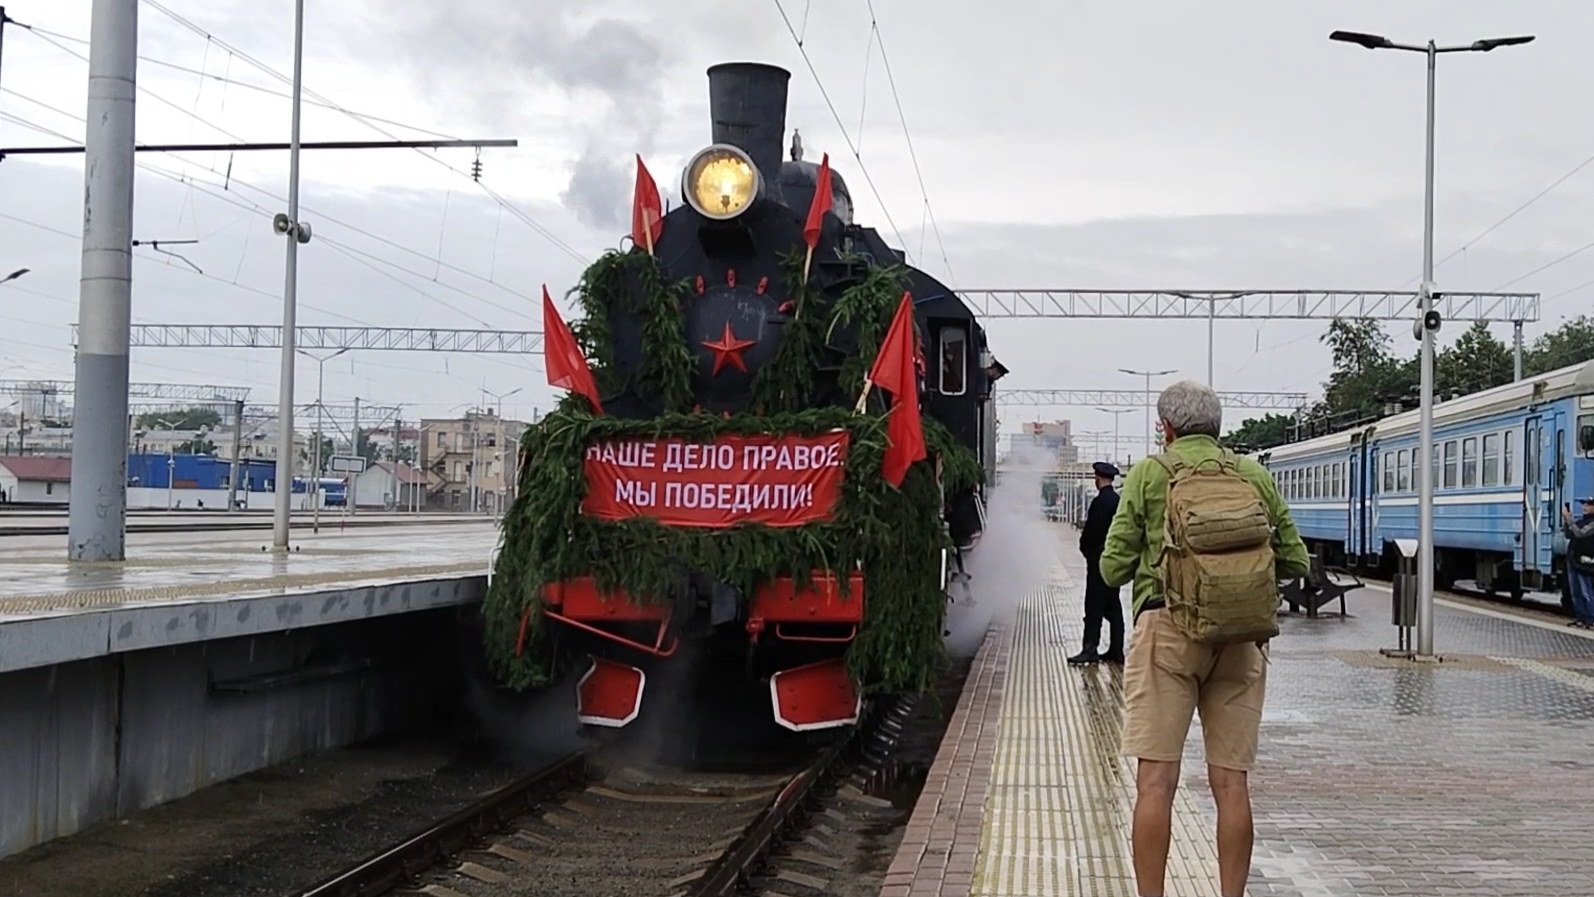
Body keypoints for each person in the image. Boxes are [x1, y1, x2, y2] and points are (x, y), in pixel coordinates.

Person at [1099, 380, 1309, 897]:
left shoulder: (1150, 472)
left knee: (1156, 782)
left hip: (1166, 633)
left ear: (1166, 428)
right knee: (1232, 784)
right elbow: (1296, 560)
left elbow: (1111, 569)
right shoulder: (1252, 473)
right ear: (1218, 428)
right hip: (1241, 638)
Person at [1070, 460, 1124, 665]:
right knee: (1113, 605)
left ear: (1098, 478)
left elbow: (1091, 532)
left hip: (1098, 560)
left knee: (1093, 605)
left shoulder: (1100, 502)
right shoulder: (1118, 501)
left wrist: (1086, 550)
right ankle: (1116, 650)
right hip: (1114, 560)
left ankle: (1089, 649)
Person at [1561, 498, 1594, 628]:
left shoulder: (1592, 523)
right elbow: (1570, 534)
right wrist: (1566, 521)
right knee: (1576, 592)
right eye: (1584, 504)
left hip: (1584, 562)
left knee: (1587, 591)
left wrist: (1569, 520)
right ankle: (1581, 617)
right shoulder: (1581, 521)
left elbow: (1580, 534)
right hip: (1574, 560)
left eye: (1589, 504)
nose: (1585, 507)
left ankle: (1591, 619)